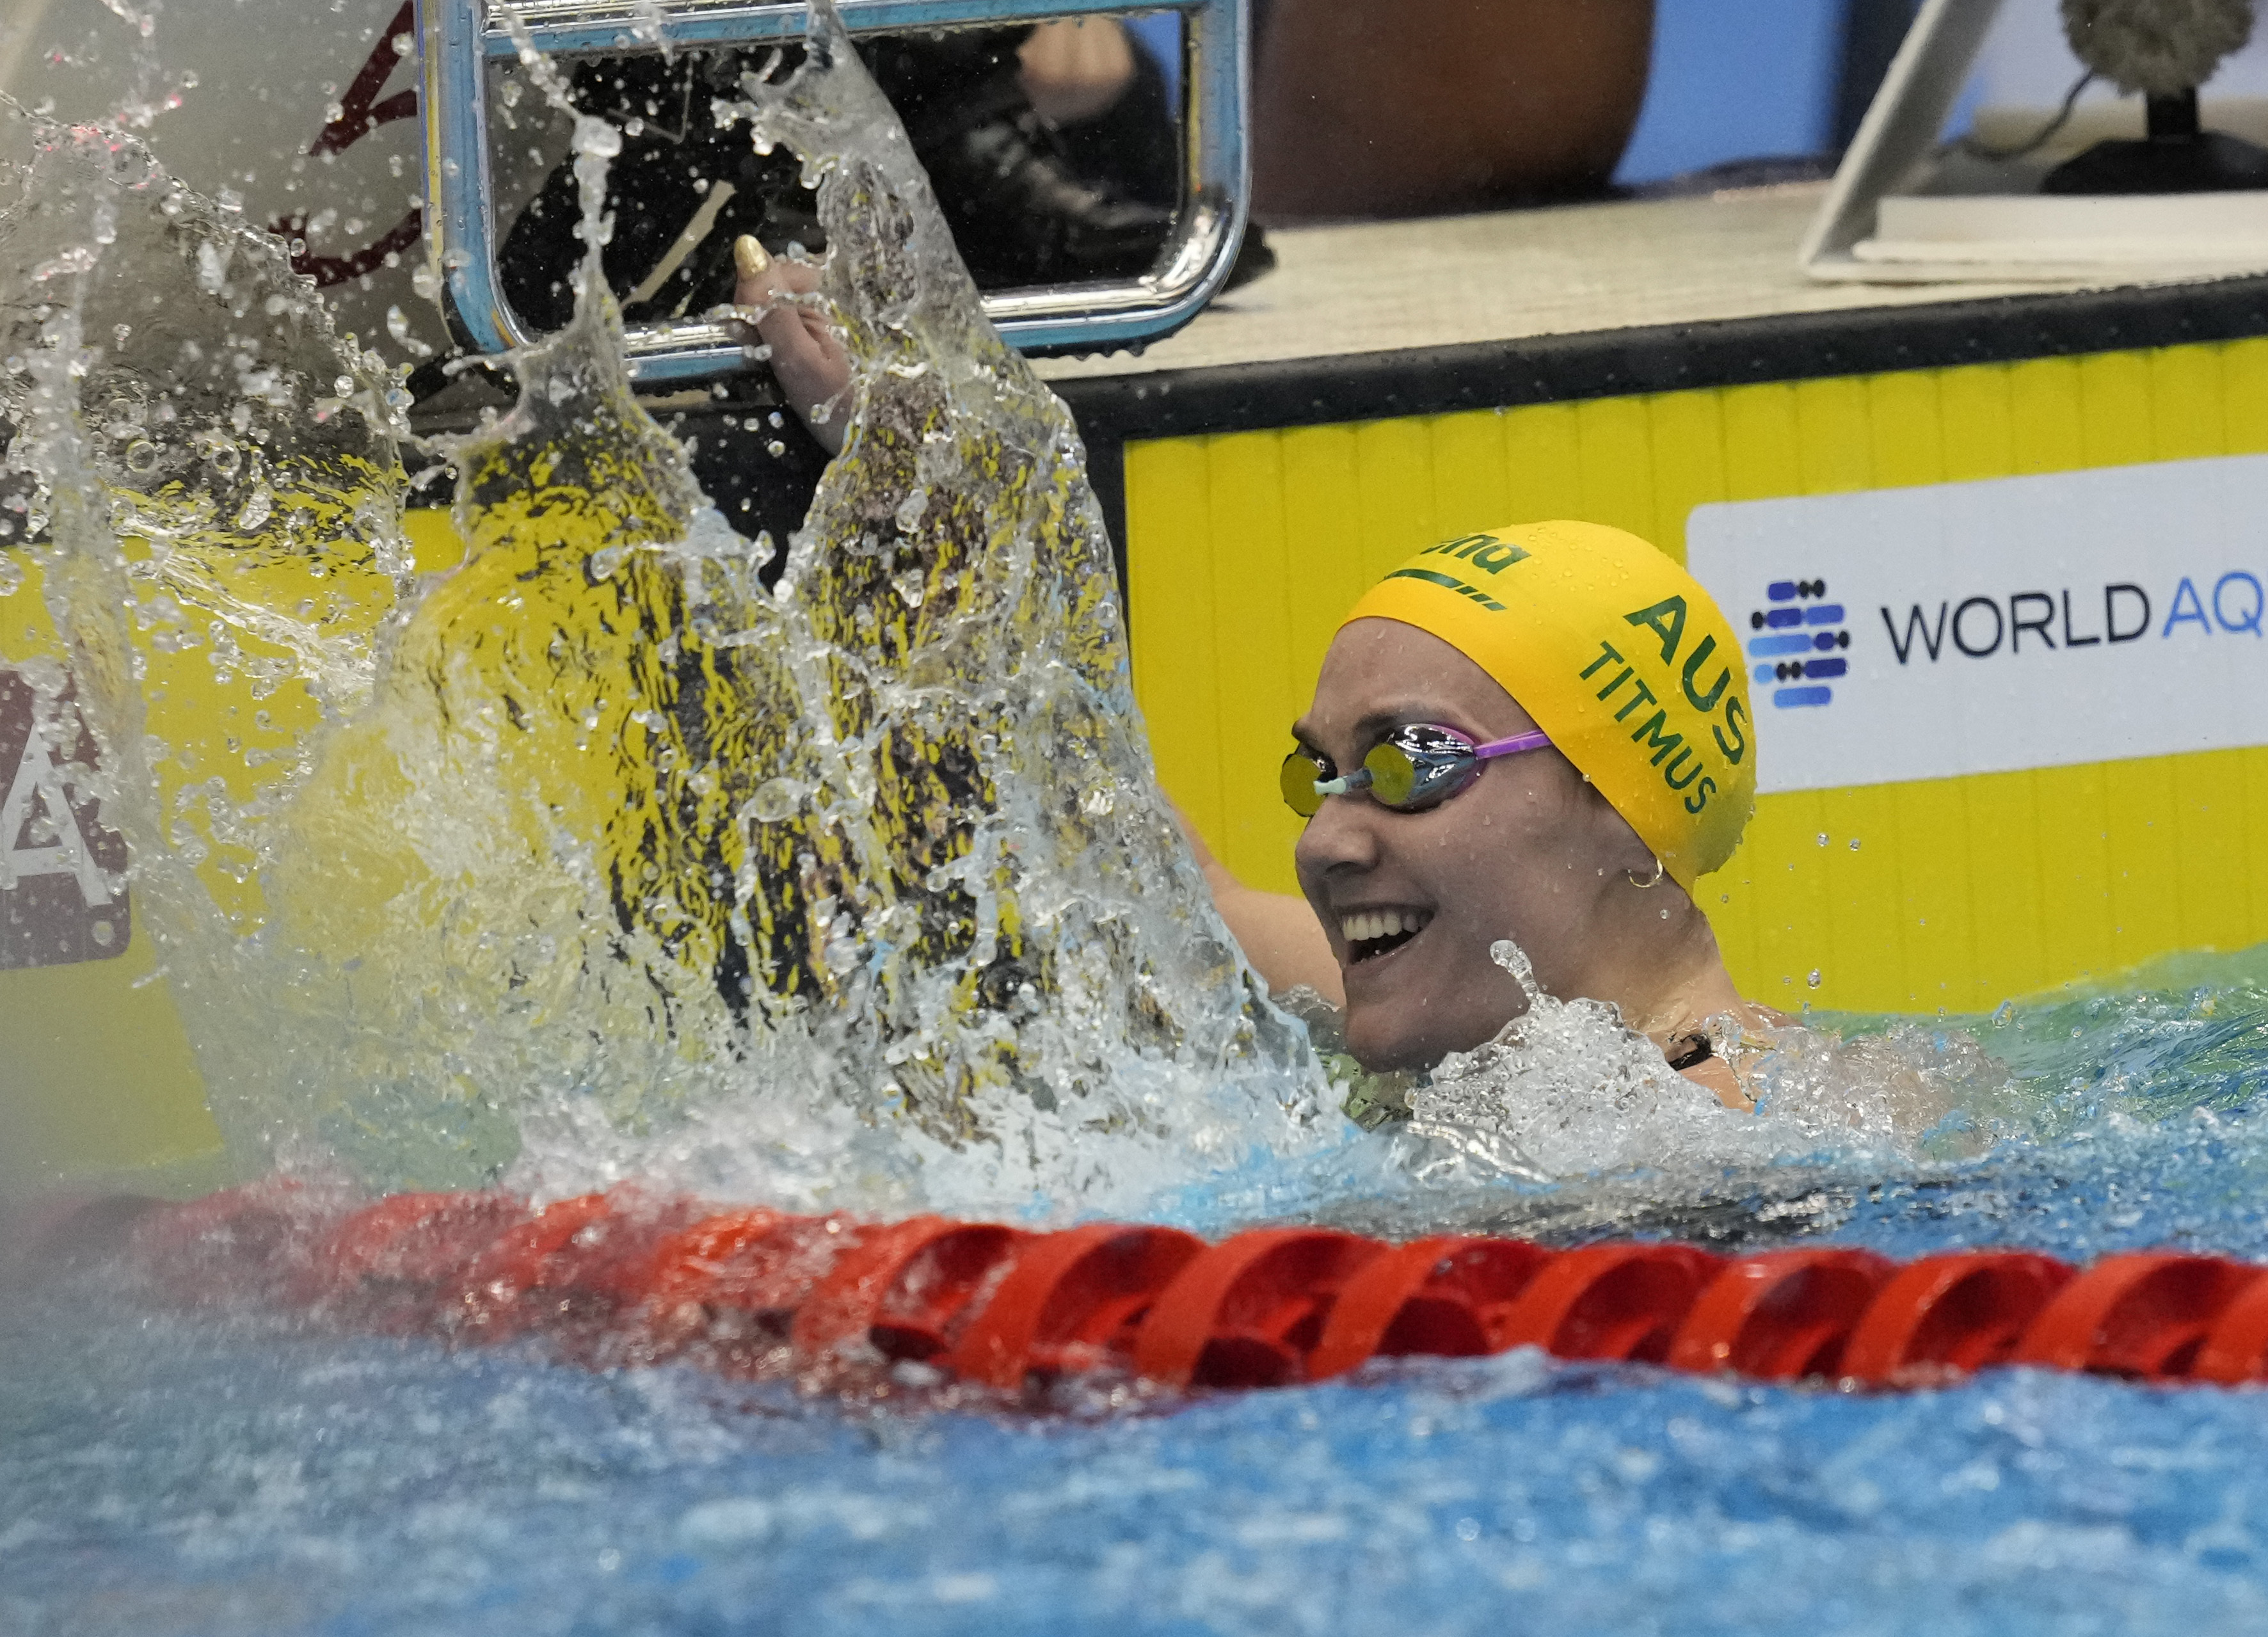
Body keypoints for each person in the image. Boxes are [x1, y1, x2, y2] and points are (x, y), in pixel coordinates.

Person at [1188, 520, 1777, 1111]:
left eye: (1415, 764)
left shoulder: (1726, 1141)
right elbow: (1196, 900)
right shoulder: (1484, 1027)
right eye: (1315, 774)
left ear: (1624, 806)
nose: (1320, 844)